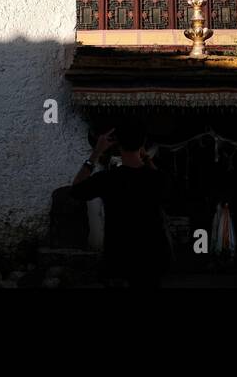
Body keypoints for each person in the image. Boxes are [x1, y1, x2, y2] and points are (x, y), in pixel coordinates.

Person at [69, 122, 173, 287]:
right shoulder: (158, 179)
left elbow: (75, 190)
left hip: (118, 257)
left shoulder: (107, 179)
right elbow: (161, 183)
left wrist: (96, 153)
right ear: (142, 144)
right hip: (152, 257)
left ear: (117, 145)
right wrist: (145, 157)